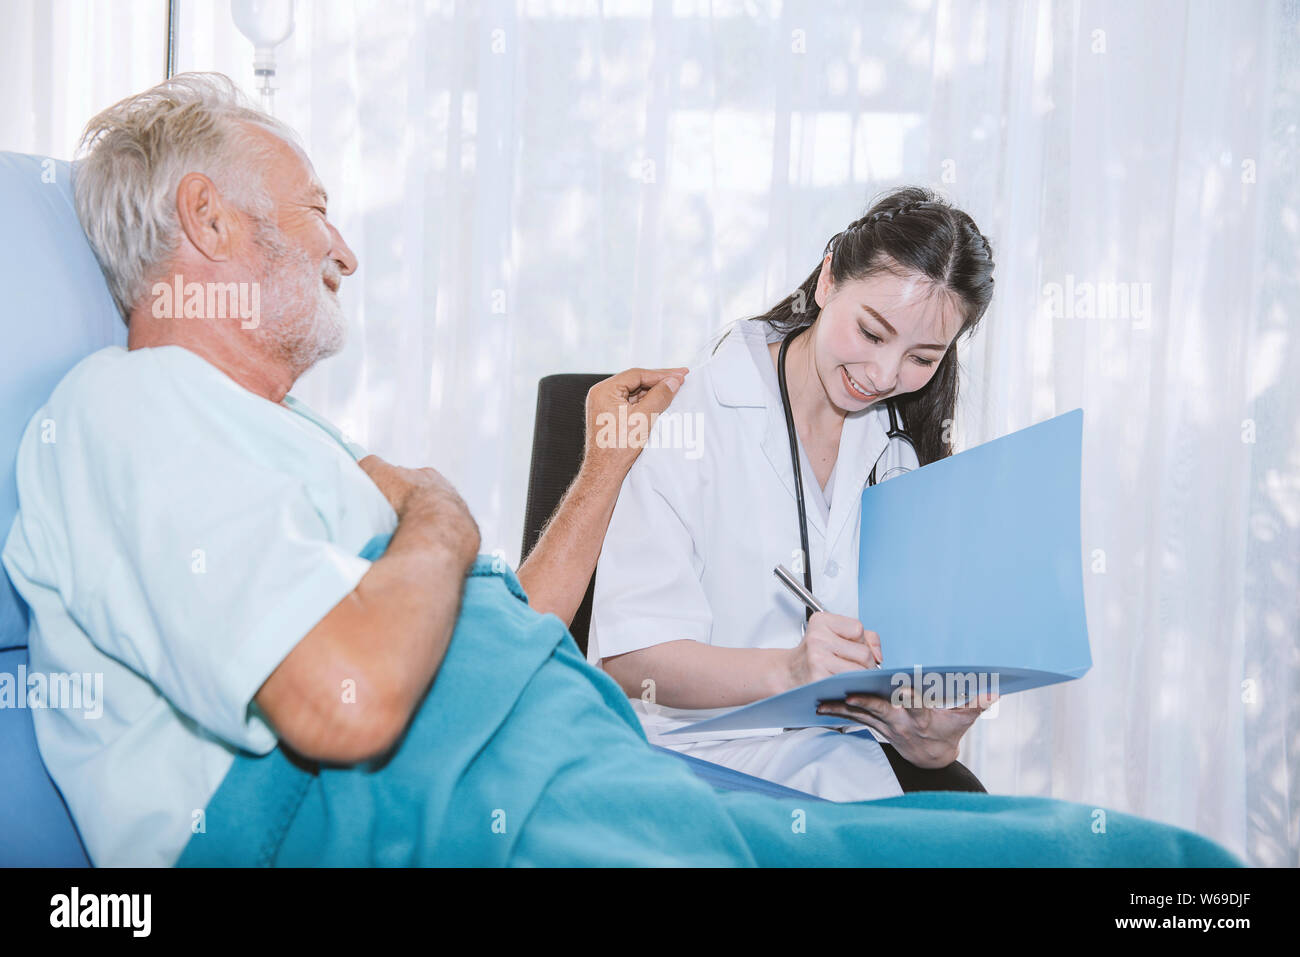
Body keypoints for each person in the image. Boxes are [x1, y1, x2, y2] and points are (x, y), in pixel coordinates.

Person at [2, 74, 1240, 868]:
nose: (345, 248)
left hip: (574, 771)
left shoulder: (286, 444)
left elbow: (508, 637)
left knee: (1145, 863)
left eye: (922, 355)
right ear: (213, 225)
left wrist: (594, 472)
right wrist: (439, 505)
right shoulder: (134, 406)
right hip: (524, 800)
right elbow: (346, 705)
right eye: (317, 207)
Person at [588, 188, 997, 801]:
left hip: (832, 758)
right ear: (829, 276)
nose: (884, 377)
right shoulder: (686, 416)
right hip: (681, 761)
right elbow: (630, 661)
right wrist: (789, 671)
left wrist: (930, 738)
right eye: (871, 331)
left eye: (921, 357)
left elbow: (897, 679)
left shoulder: (901, 452)